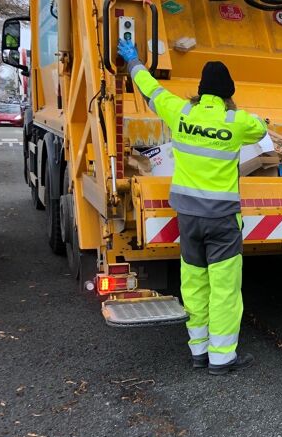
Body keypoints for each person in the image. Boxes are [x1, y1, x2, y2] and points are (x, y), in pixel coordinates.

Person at [117, 39, 267, 375]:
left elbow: (150, 90)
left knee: (195, 284)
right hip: (223, 222)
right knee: (224, 290)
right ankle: (222, 358)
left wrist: (134, 62)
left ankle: (198, 352)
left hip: (189, 220)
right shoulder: (237, 121)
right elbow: (260, 129)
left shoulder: (179, 111)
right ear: (228, 92)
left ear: (200, 90)